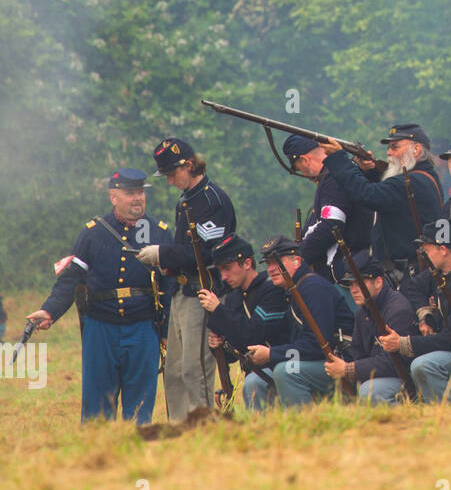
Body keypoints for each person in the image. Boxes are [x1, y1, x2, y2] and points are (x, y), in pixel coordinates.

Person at [26, 168, 174, 423]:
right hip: (100, 328)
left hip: (142, 328)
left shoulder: (159, 232)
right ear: (113, 197)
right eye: (130, 193)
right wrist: (50, 310)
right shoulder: (94, 232)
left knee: (140, 408)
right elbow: (72, 278)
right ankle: (97, 456)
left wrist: (166, 332)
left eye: (140, 192)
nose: (137, 198)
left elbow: (169, 285)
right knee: (96, 407)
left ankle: (138, 456)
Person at [135, 137, 236, 421]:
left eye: (172, 173)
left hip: (202, 293)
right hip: (182, 293)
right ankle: (180, 427)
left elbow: (205, 253)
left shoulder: (213, 200)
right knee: (175, 369)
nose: (169, 181)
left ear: (189, 165)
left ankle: (203, 424)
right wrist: (167, 265)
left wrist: (162, 254)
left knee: (195, 368)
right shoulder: (187, 200)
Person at [318, 124, 444, 283]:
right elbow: (386, 194)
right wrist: (370, 171)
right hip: (409, 273)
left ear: (416, 150)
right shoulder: (423, 178)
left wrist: (338, 159)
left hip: (406, 277)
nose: (388, 152)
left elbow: (368, 195)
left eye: (395, 147)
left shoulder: (409, 182)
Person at [388, 222, 451, 401]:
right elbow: (414, 287)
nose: (425, 256)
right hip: (450, 349)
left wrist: (404, 344)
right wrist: (425, 316)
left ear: (443, 249)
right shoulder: (441, 272)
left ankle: (447, 415)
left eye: (427, 250)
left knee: (423, 365)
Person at [247, 235, 353, 407]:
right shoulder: (292, 290)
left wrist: (271, 354)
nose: (271, 269)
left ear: (297, 261)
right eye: (268, 264)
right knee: (255, 381)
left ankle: (304, 427)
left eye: (277, 262)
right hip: (315, 362)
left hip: (339, 364)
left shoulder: (313, 289)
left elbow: (317, 345)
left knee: (286, 372)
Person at [199, 235, 290, 411]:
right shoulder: (234, 298)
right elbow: (235, 353)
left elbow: (254, 334)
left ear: (247, 263)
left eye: (227, 268)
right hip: (257, 372)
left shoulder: (271, 291)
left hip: (282, 364)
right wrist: (218, 345)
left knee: (253, 383)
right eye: (220, 271)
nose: (223, 277)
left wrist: (218, 311)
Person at [282, 134, 376, 283]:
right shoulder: (333, 177)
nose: (303, 174)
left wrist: (298, 257)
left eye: (300, 169)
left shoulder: (332, 179)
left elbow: (331, 225)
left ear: (305, 160)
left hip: (347, 271)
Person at [335, 251, 417, 406]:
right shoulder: (363, 310)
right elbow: (358, 352)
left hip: (404, 380)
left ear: (378, 282)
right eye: (351, 284)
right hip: (378, 376)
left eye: (359, 283)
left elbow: (395, 363)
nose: (353, 289)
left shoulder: (398, 310)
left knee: (370, 391)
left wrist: (349, 369)